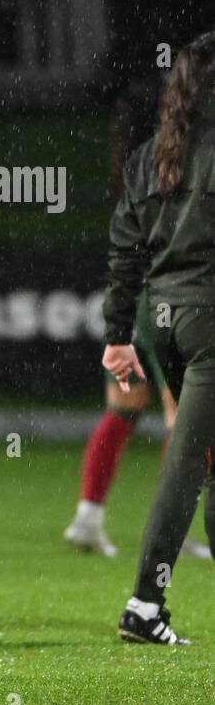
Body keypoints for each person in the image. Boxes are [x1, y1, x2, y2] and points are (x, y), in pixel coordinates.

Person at [65, 74, 214, 560]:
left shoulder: (135, 167)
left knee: (123, 406)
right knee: (184, 419)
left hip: (133, 298)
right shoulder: (182, 165)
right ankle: (176, 524)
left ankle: (88, 516)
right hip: (171, 299)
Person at [104, 30, 215, 644]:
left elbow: (125, 248)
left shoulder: (152, 155)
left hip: (163, 321)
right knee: (187, 463)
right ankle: (145, 605)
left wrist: (118, 333)